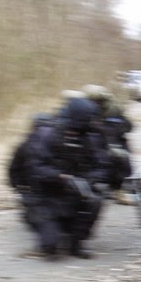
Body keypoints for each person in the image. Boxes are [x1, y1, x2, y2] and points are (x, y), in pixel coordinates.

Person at [22, 97, 113, 259]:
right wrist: (60, 177)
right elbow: (34, 167)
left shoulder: (90, 138)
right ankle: (52, 235)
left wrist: (86, 181)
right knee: (51, 247)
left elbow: (102, 166)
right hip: (48, 196)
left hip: (75, 193)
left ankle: (77, 241)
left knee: (96, 199)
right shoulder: (47, 135)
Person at [83, 84, 134, 202]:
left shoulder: (113, 110)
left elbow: (127, 126)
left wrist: (111, 140)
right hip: (93, 140)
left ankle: (118, 190)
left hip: (111, 142)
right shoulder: (85, 109)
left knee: (120, 157)